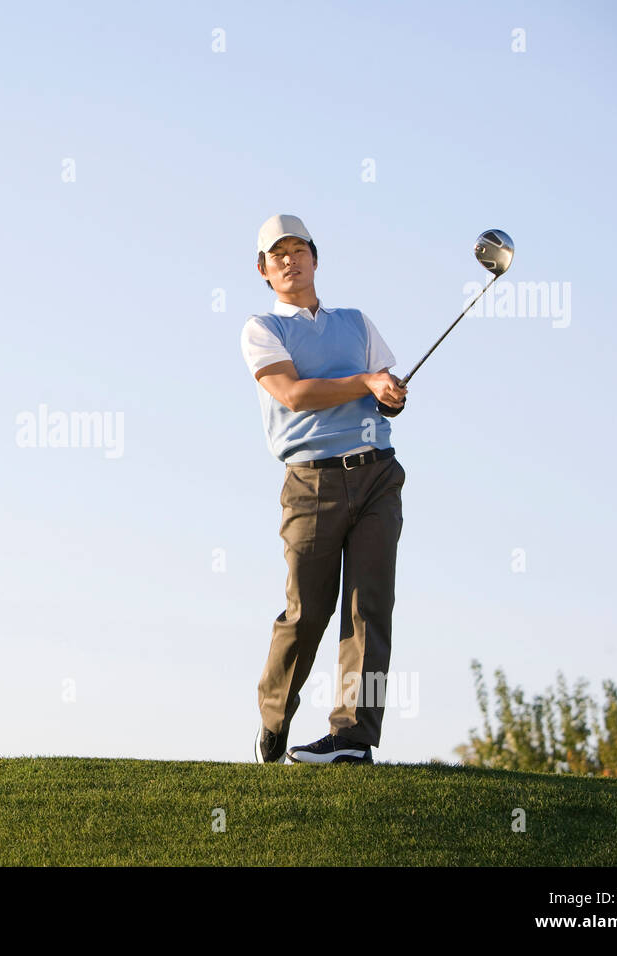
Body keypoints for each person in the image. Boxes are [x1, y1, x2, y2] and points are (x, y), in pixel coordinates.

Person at [240, 214, 408, 765]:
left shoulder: (357, 323)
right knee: (308, 612)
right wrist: (365, 382)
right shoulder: (263, 329)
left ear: (315, 258)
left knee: (369, 606)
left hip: (377, 472)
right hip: (312, 482)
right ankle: (274, 719)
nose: (289, 260)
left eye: (298, 249)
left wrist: (391, 396)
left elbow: (386, 385)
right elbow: (293, 394)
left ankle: (353, 737)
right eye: (277, 254)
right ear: (264, 270)